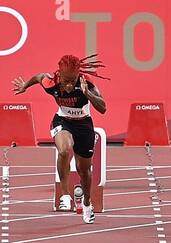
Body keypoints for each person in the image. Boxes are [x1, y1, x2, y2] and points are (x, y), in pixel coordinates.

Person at [13, 54, 108, 224]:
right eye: (66, 81)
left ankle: (87, 203)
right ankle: (64, 194)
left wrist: (88, 94)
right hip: (63, 121)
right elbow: (39, 77)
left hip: (84, 124)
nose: (69, 85)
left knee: (83, 170)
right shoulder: (52, 82)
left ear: (78, 75)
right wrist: (25, 86)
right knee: (64, 149)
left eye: (73, 80)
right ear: (60, 75)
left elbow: (103, 108)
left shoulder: (86, 83)